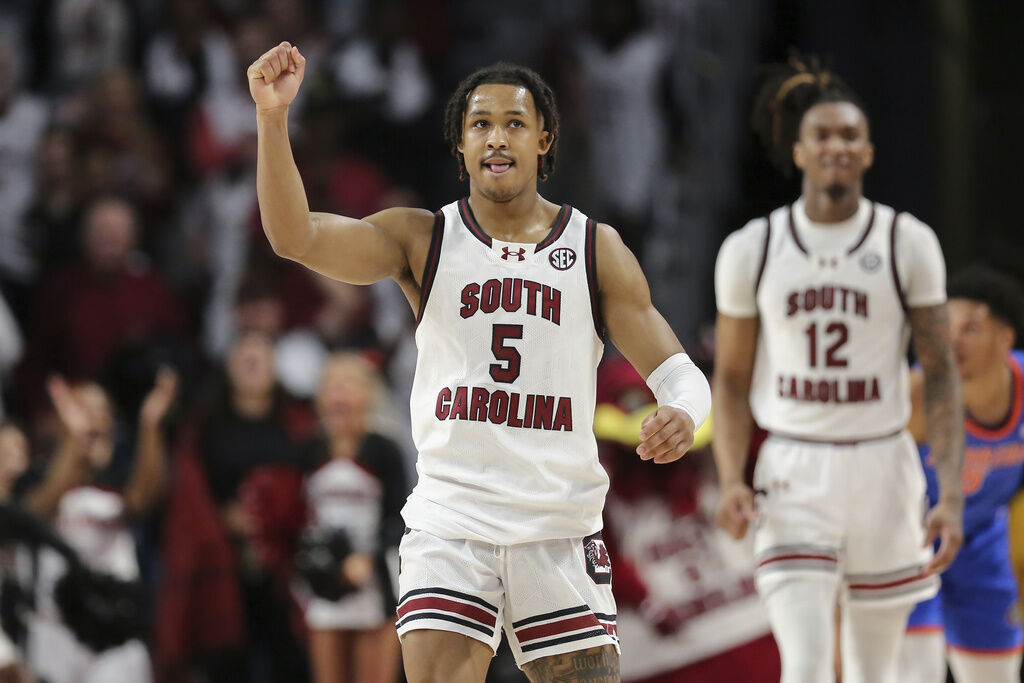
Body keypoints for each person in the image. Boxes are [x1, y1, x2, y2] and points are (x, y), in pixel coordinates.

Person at [248, 42, 711, 682]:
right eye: (480, 125)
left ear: (544, 140)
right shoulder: (421, 237)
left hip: (558, 523)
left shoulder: (593, 248)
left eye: (514, 123)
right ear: (460, 146)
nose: (497, 137)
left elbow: (679, 372)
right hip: (452, 519)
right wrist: (273, 120)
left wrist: (684, 413)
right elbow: (292, 236)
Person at [712, 57, 965, 683]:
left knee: (875, 671)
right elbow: (733, 379)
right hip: (794, 469)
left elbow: (939, 372)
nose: (837, 147)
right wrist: (730, 478)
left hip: (883, 464)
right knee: (804, 665)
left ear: (870, 151)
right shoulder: (754, 247)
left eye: (850, 135)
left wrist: (951, 492)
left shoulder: (907, 242)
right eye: (822, 136)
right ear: (798, 151)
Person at [898, 266, 1024, 683]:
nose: (952, 339)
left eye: (970, 328)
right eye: (945, 326)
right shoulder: (915, 396)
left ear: (1006, 337)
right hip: (907, 544)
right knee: (920, 674)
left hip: (982, 542)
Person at [21, 369, 176, 683]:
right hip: (54, 627)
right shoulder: (36, 474)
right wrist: (74, 445)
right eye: (82, 407)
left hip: (114, 627)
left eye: (100, 409)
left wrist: (150, 424)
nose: (91, 418)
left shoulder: (119, 470)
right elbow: (33, 514)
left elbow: (143, 498)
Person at [296, 353, 408, 683]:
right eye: (330, 386)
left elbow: (400, 518)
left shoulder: (384, 450)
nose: (338, 394)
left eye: (348, 385)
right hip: (323, 579)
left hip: (374, 581)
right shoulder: (309, 450)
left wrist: (368, 559)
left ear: (367, 395)